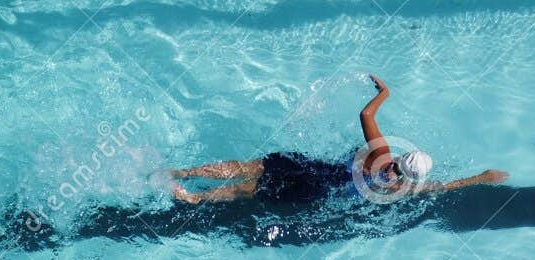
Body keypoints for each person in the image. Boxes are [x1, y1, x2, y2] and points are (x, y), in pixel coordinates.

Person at [170, 75, 507, 204]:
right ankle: (197, 199)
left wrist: (385, 93)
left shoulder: (381, 153)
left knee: (252, 168)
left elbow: (365, 115)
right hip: (319, 191)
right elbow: (443, 187)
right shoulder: (400, 188)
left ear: (403, 156)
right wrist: (482, 177)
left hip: (315, 169)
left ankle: (183, 173)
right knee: (254, 189)